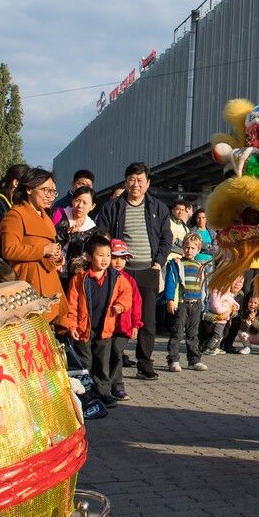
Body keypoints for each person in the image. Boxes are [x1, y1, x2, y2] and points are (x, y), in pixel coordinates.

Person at [95, 162, 173, 381]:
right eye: (131, 179)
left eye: (140, 180)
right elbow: (102, 234)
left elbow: (167, 238)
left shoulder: (158, 208)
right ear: (125, 181)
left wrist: (158, 263)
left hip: (149, 269)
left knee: (148, 320)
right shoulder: (113, 207)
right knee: (117, 315)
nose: (135, 184)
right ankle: (114, 360)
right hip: (121, 271)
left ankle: (145, 363)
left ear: (148, 183)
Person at [65, 236, 137, 419]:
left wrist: (120, 305)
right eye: (100, 255)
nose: (105, 259)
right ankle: (86, 395)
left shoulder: (116, 277)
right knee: (85, 363)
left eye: (108, 255)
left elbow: (127, 293)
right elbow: (71, 304)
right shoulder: (80, 278)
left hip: (105, 329)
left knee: (102, 363)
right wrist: (71, 324)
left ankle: (104, 393)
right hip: (84, 329)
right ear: (89, 257)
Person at [0, 168, 66, 327]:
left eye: (53, 192)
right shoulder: (15, 214)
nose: (50, 195)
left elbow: (48, 246)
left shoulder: (45, 216)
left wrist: (58, 257)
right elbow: (9, 250)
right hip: (29, 283)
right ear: (29, 189)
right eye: (46, 190)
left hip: (49, 280)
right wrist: (43, 250)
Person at [164, 232, 208, 372]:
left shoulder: (200, 266)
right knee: (177, 333)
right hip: (182, 302)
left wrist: (203, 303)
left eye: (193, 248)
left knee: (193, 334)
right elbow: (170, 283)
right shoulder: (176, 264)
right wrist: (170, 299)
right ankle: (173, 360)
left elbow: (203, 286)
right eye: (187, 247)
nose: (189, 250)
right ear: (182, 247)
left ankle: (194, 360)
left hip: (195, 304)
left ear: (198, 250)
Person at [201, 275, 243, 355]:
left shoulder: (239, 295)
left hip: (224, 321)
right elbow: (215, 307)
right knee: (217, 334)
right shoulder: (216, 292)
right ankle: (207, 347)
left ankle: (217, 347)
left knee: (220, 335)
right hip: (214, 320)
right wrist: (223, 313)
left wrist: (234, 308)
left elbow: (234, 305)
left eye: (240, 282)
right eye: (236, 281)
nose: (238, 284)